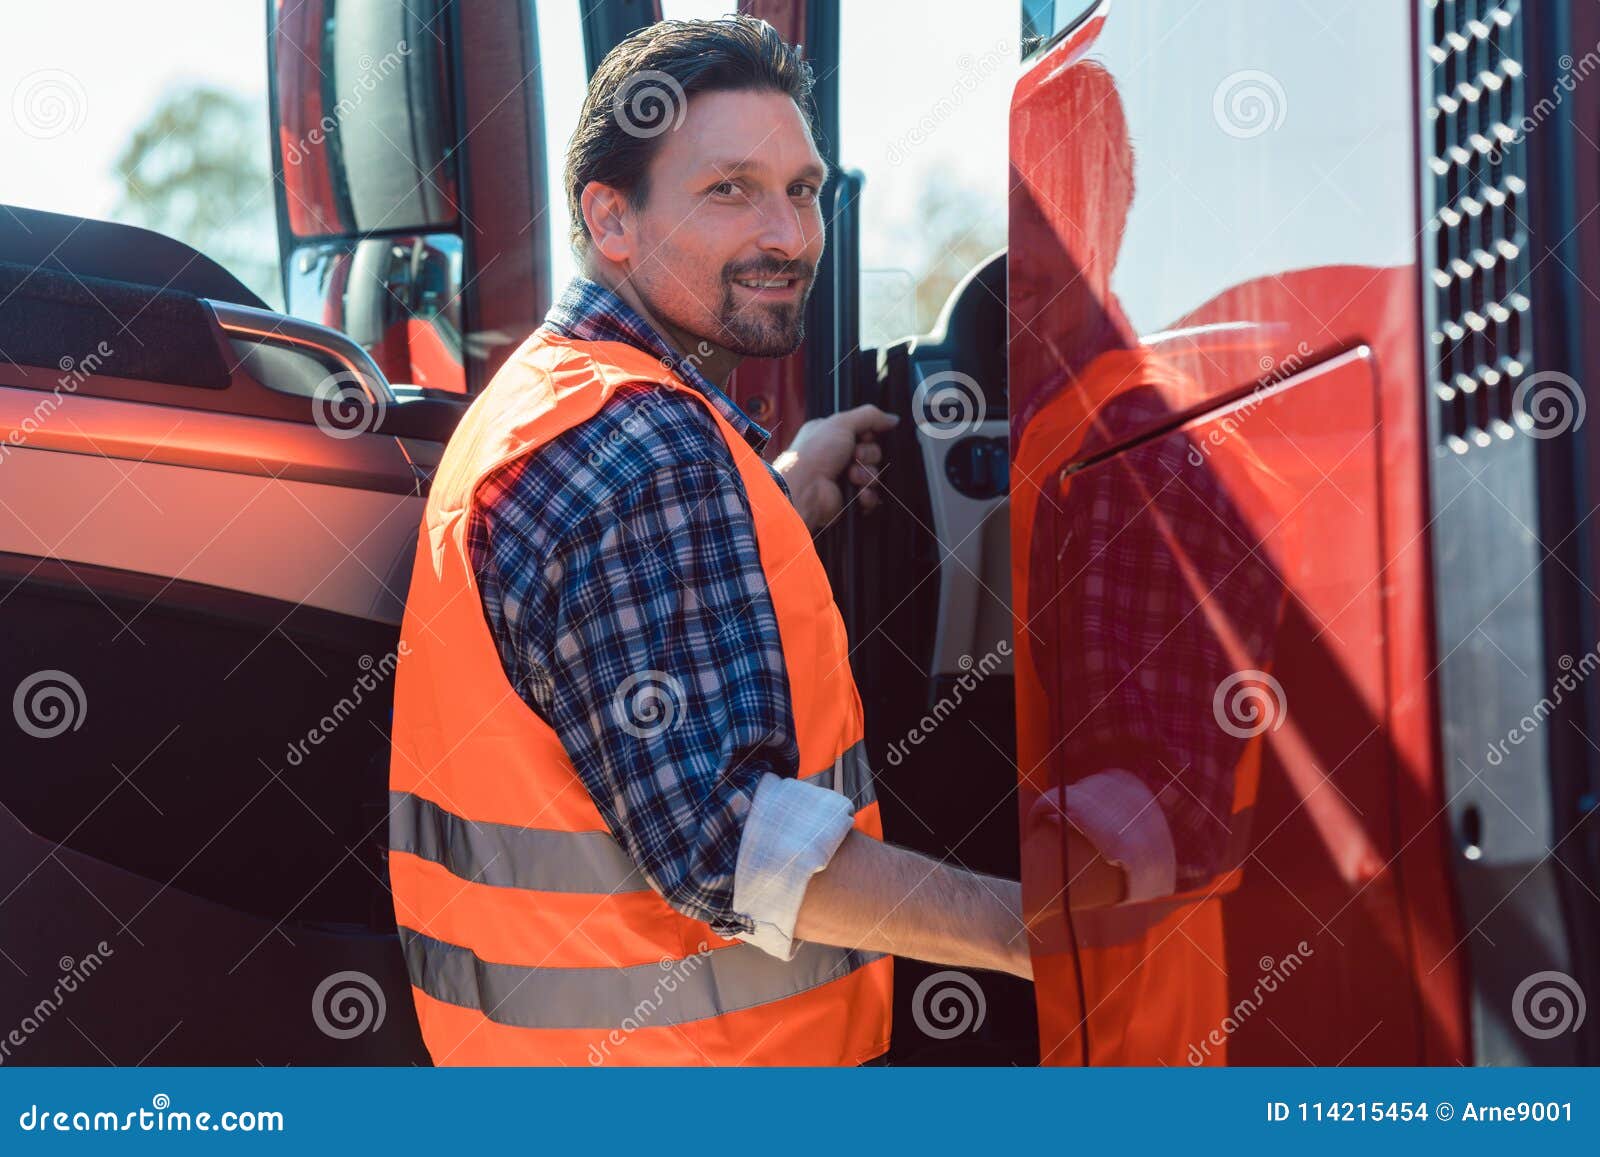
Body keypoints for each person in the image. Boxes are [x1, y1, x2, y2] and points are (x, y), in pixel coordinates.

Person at [387, 15, 1031, 1068]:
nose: (787, 235)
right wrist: (1036, 929)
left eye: (803, 189)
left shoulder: (548, 409)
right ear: (613, 219)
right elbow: (728, 846)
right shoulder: (644, 449)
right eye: (729, 189)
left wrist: (771, 501)